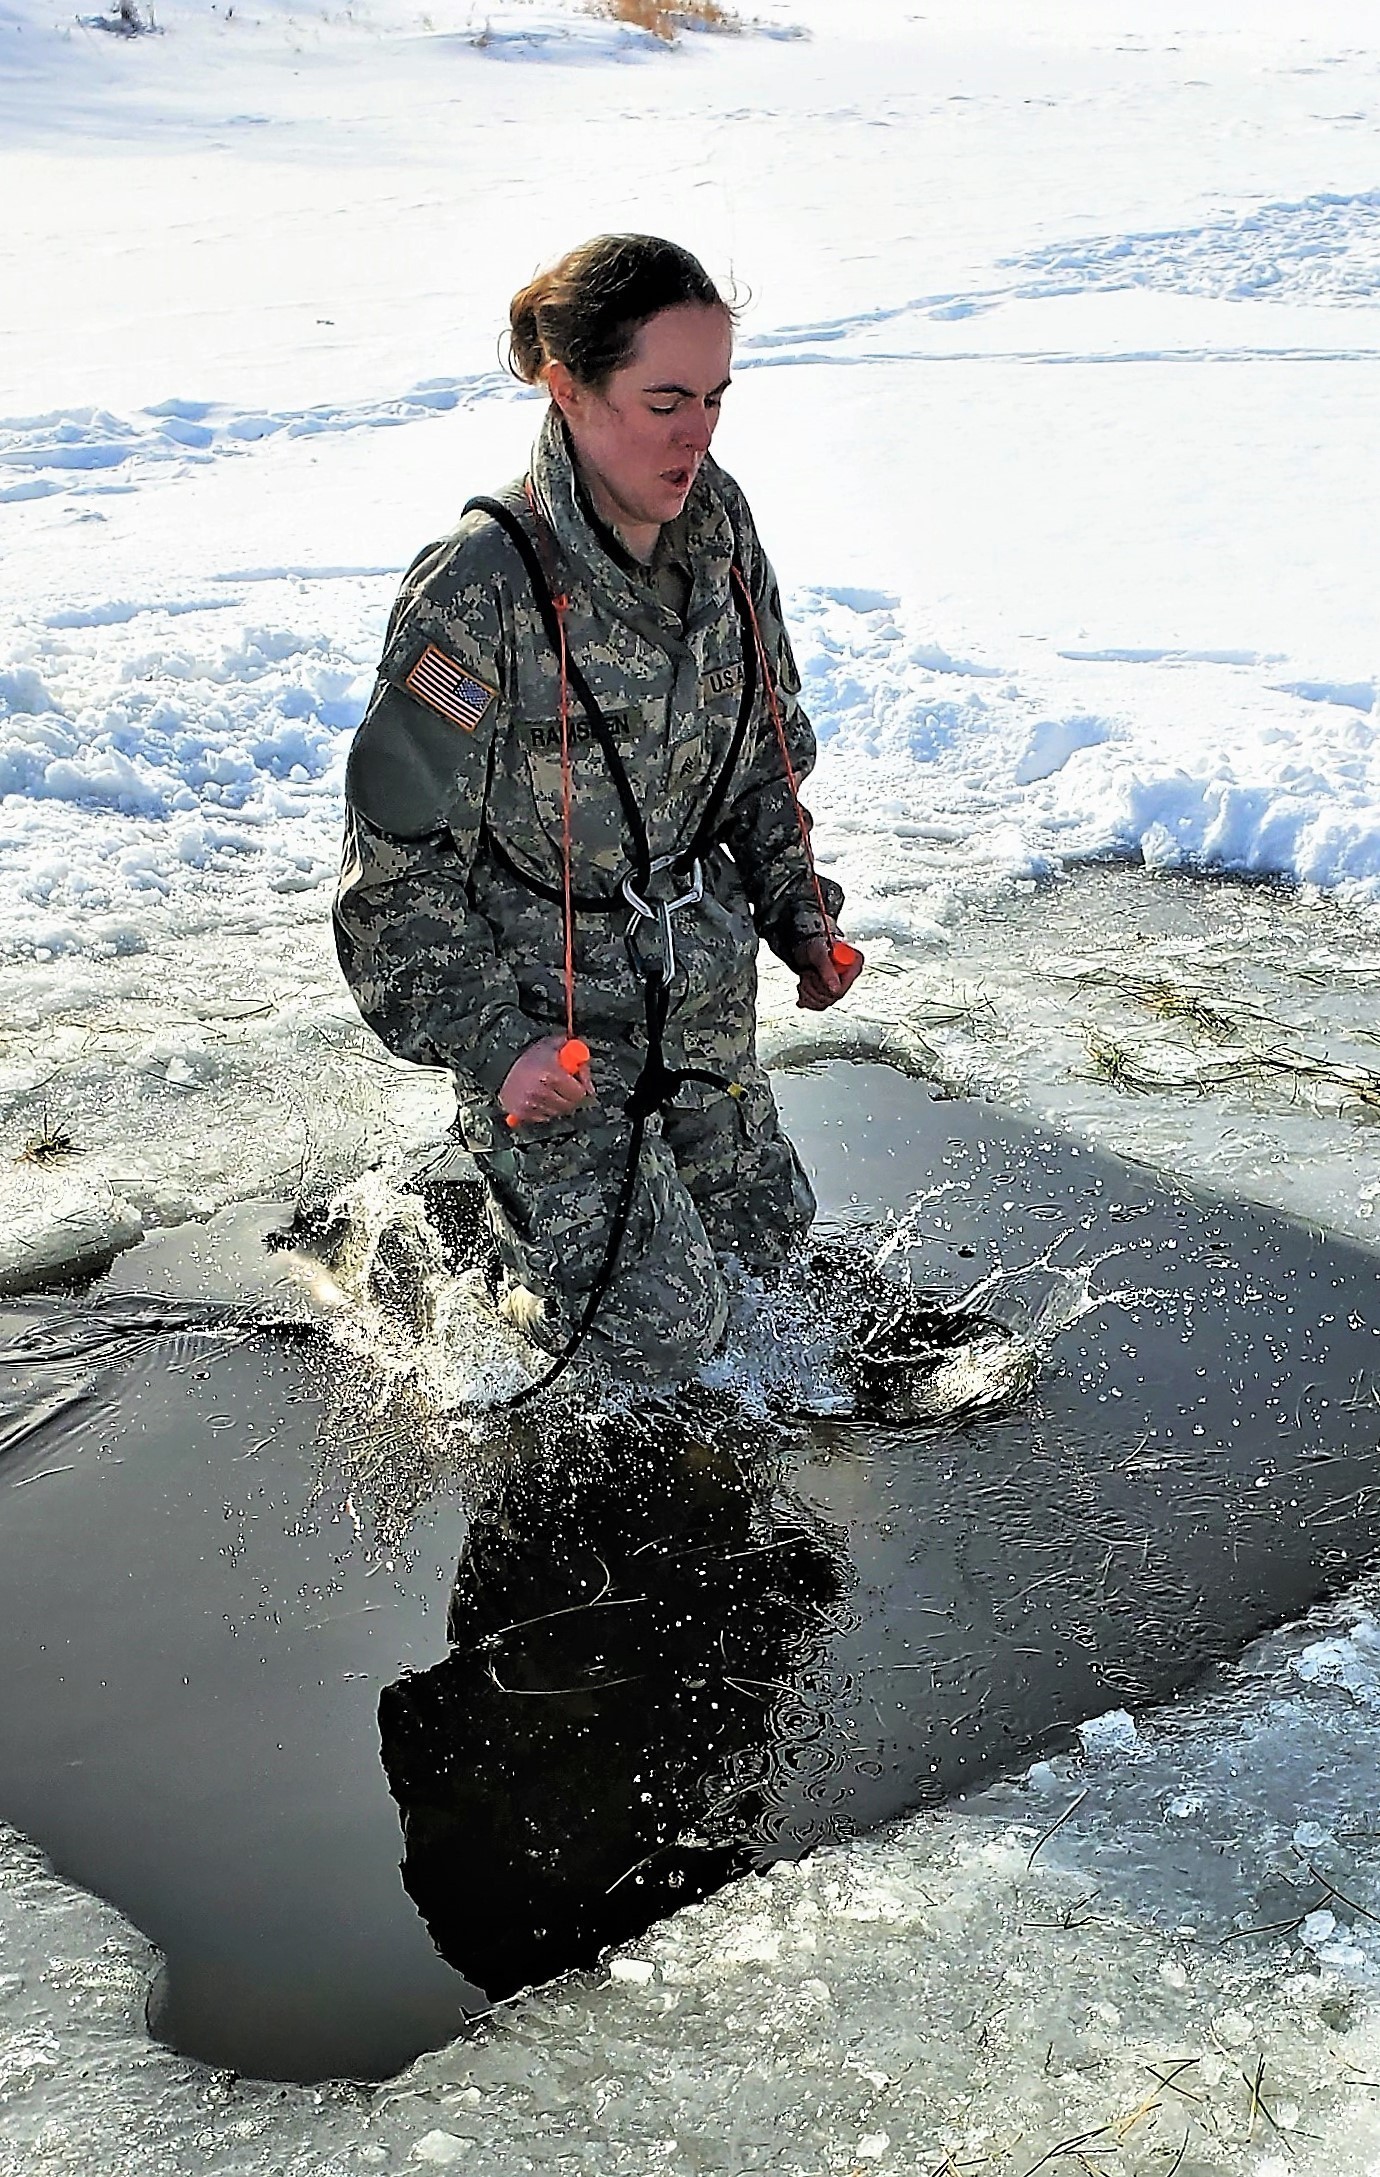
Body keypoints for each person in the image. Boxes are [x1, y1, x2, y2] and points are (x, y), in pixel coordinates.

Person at [334, 233, 864, 1387]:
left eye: (715, 398)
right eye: (666, 401)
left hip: (699, 1012)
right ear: (568, 389)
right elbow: (392, 881)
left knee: (773, 1269)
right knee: (665, 1336)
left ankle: (584, 1225)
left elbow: (766, 755)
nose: (697, 434)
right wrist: (500, 1049)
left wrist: (799, 915)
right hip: (555, 1045)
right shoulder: (480, 590)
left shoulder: (719, 532)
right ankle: (473, 1238)